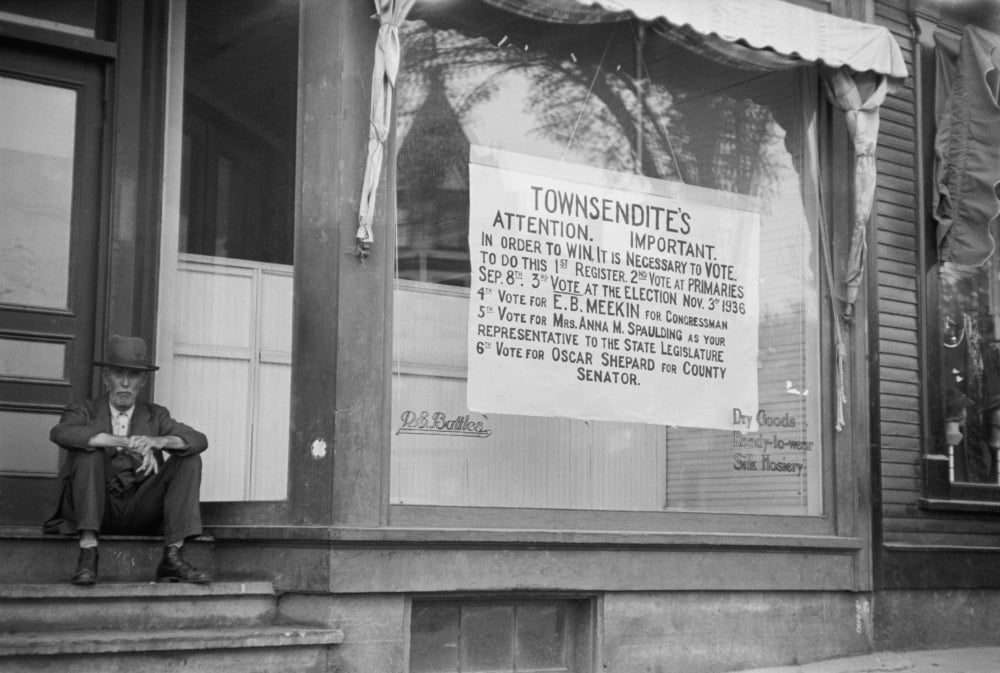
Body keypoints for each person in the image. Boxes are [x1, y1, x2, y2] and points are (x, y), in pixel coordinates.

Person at [44, 335, 210, 585]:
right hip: (95, 507)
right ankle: (88, 554)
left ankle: (172, 558)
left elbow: (198, 439)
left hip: (140, 509)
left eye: (132, 375)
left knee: (189, 458)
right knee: (88, 453)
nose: (124, 383)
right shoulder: (84, 410)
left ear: (142, 380)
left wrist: (159, 442)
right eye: (118, 374)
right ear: (106, 378)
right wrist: (122, 441)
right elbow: (61, 432)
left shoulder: (156, 415)